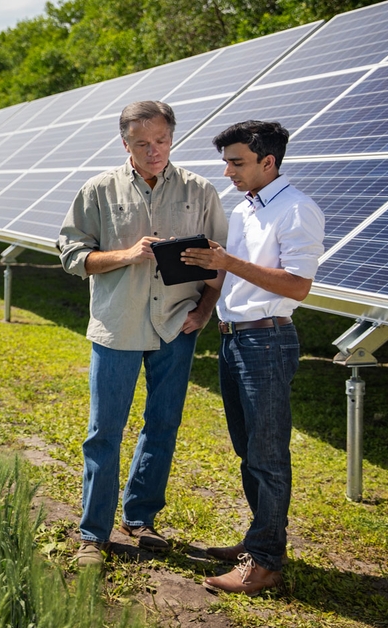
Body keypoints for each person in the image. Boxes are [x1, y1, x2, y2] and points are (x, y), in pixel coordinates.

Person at [57, 101, 228, 567]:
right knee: (103, 432)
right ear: (124, 144)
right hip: (118, 327)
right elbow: (72, 256)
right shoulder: (97, 191)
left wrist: (205, 310)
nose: (153, 151)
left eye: (161, 141)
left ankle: (140, 518)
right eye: (141, 143)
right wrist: (127, 255)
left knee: (163, 425)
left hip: (177, 326)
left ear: (172, 138)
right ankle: (93, 533)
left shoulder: (201, 191)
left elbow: (220, 261)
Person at [181, 120, 325, 594]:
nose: (227, 172)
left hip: (267, 341)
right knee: (249, 453)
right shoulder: (243, 211)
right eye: (226, 161)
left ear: (269, 161)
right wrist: (203, 294)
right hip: (234, 339)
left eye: (237, 162)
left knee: (267, 456)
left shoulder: (298, 210)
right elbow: (230, 277)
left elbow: (297, 286)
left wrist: (228, 262)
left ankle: (264, 563)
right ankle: (257, 542)